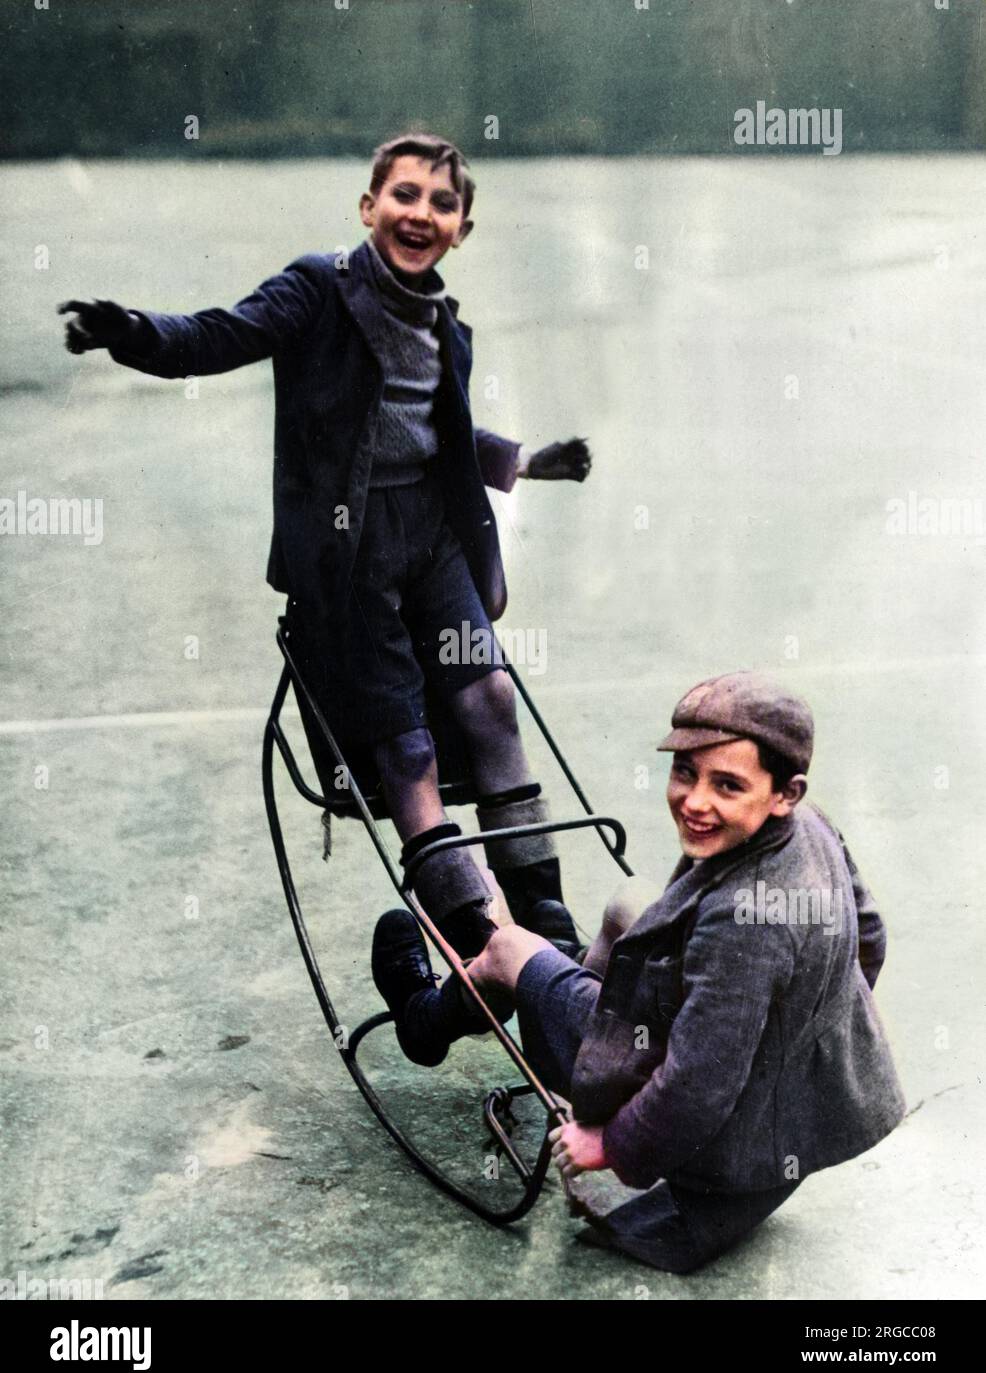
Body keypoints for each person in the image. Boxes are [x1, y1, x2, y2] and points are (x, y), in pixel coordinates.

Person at [58, 131, 592, 959]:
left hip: (432, 545)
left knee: (489, 701)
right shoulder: (319, 290)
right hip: (350, 564)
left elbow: (440, 434)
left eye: (442, 203)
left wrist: (525, 461)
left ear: (462, 230)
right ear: (368, 206)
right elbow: (217, 335)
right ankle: (473, 930)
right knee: (404, 745)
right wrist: (129, 331)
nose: (421, 214)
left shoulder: (447, 328)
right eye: (405, 195)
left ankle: (546, 918)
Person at [372, 671, 907, 1271]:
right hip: (746, 1093)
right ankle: (561, 971)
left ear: (784, 791)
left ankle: (427, 1021)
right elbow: (870, 939)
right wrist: (795, 1041)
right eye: (685, 773)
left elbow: (698, 1087)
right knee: (629, 901)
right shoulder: (810, 826)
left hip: (697, 1121)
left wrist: (610, 1145)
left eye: (727, 786)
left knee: (508, 947)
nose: (695, 802)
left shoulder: (741, 926)